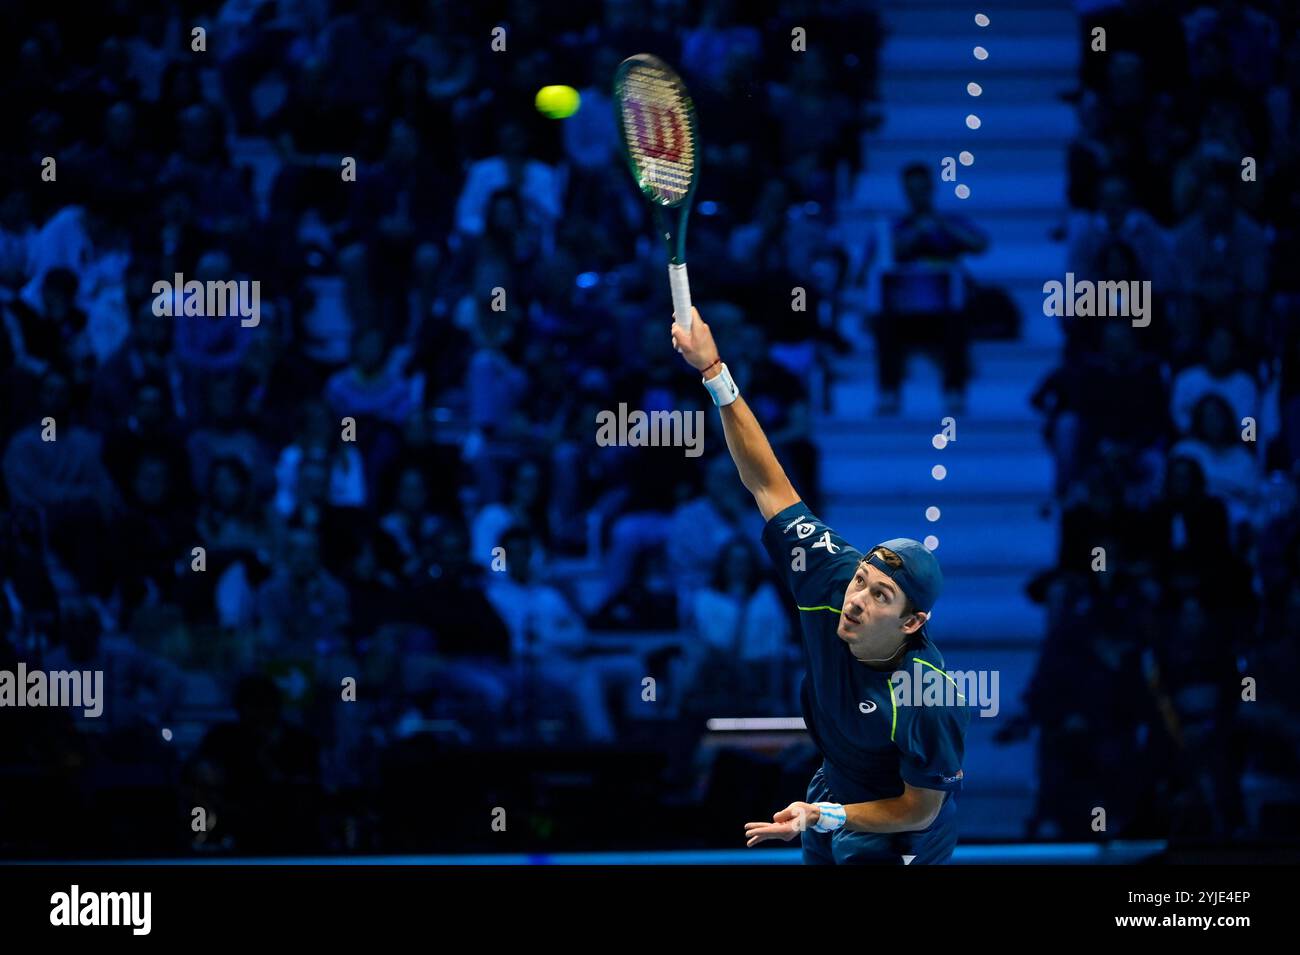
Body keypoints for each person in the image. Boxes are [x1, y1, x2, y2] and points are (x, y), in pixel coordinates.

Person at [671, 306, 971, 864]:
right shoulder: (831, 577)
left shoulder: (929, 695)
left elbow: (920, 808)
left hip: (902, 830)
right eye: (862, 581)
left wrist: (825, 817)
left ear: (912, 622)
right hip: (833, 790)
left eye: (880, 596)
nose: (855, 600)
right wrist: (714, 370)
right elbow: (767, 482)